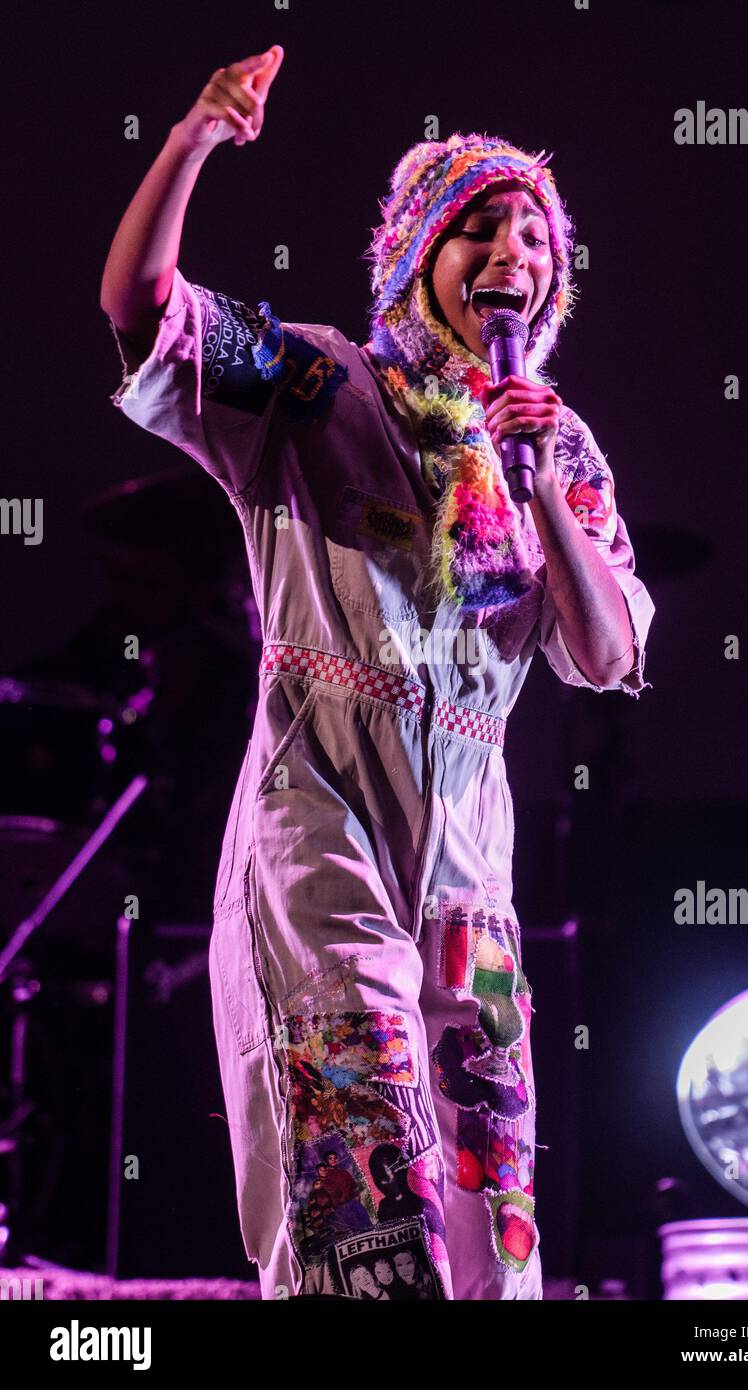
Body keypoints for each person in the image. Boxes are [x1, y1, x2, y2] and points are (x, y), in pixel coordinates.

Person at [100, 44, 655, 1301]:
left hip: (472, 862)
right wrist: (192, 138)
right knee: (367, 1218)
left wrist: (537, 493)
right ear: (417, 254)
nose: (511, 256)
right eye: (478, 230)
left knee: (490, 1237)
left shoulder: (555, 444)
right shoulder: (318, 386)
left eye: (533, 238)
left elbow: (605, 652)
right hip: (322, 823)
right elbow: (143, 309)